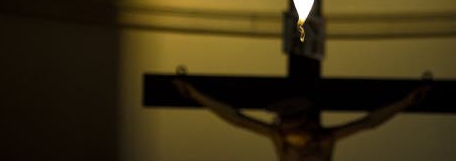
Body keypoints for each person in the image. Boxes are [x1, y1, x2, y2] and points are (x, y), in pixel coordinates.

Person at [173, 78, 431, 161]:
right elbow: (369, 123)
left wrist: (197, 95)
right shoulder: (317, 140)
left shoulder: (291, 141)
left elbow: (369, 122)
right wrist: (196, 95)